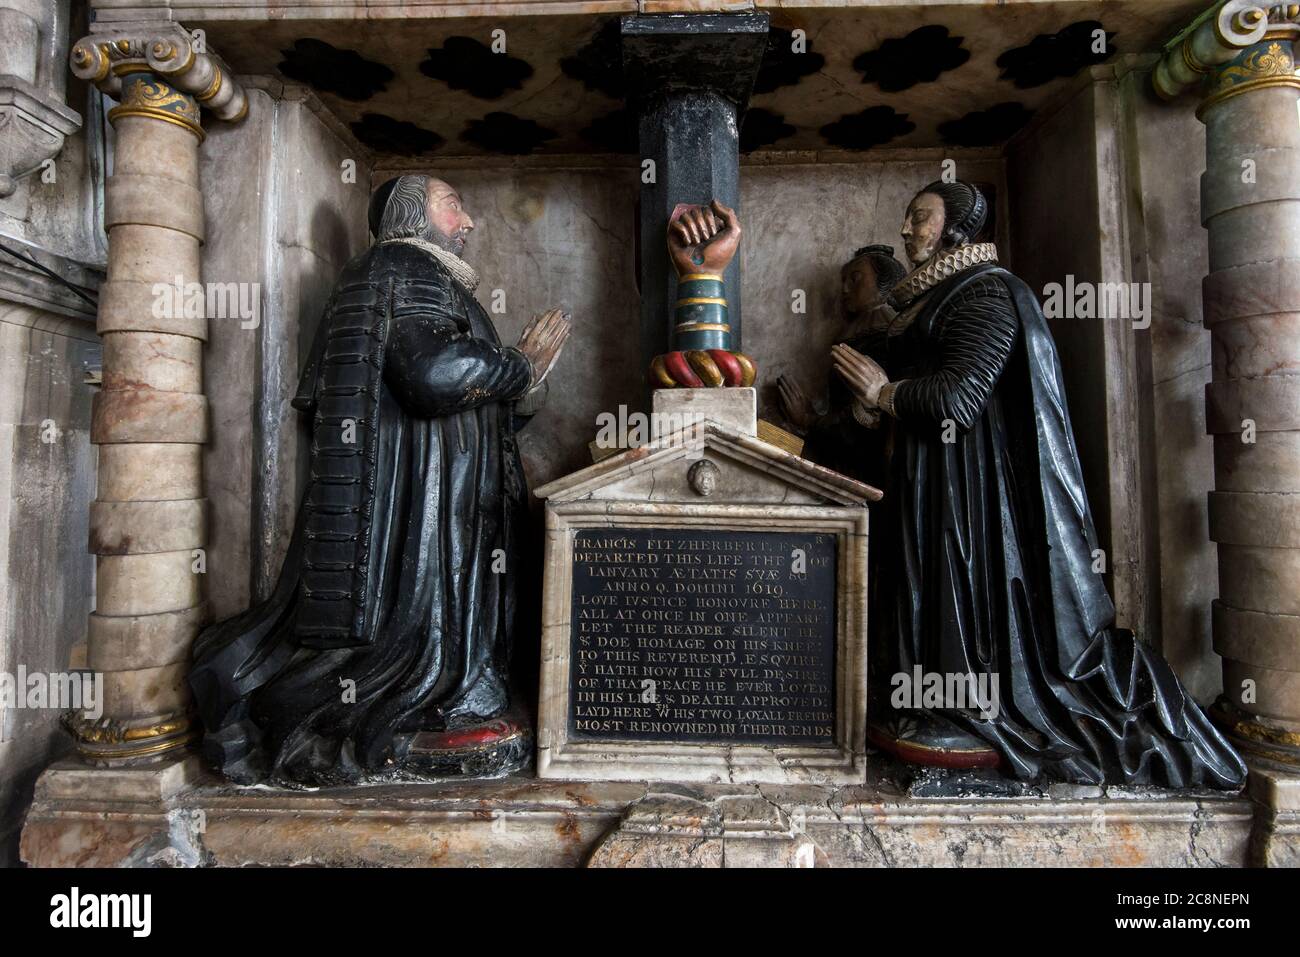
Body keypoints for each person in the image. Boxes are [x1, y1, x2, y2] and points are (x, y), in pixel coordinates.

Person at [831, 179, 1245, 788]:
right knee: (921, 587)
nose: (907, 230)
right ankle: (930, 705)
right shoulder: (935, 297)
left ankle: (962, 712)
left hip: (970, 491)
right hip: (928, 477)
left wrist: (879, 392)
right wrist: (874, 405)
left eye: (920, 218)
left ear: (956, 228)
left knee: (956, 587)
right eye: (910, 217)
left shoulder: (985, 293)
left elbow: (959, 398)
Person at [189, 174, 571, 785]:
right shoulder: (404, 264)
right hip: (418, 492)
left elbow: (476, 398)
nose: (468, 222)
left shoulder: (426, 275)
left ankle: (453, 691)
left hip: (444, 487)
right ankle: (411, 706)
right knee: (413, 620)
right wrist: (516, 365)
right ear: (411, 214)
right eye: (455, 205)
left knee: (448, 608)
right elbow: (432, 375)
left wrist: (522, 382)